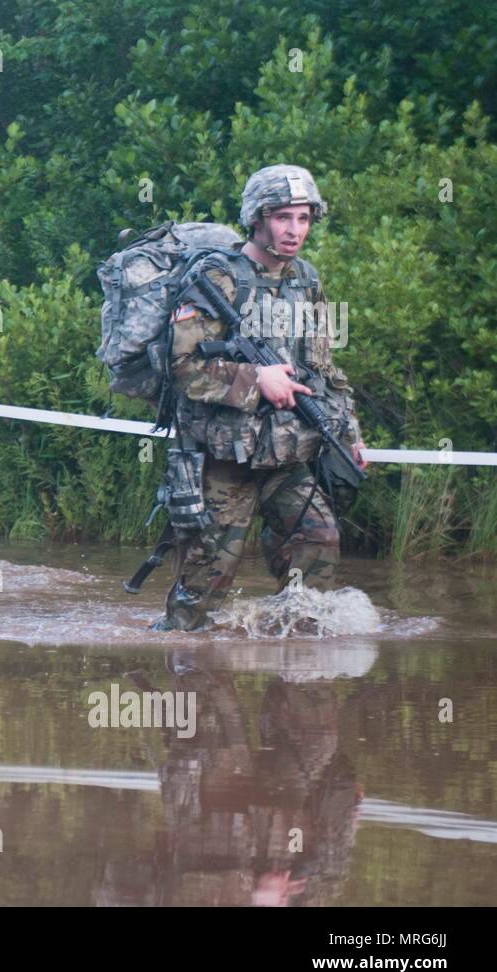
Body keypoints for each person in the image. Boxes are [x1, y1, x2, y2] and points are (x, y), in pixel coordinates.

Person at [157, 165, 368, 630]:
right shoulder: (216, 278)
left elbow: (324, 366)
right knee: (207, 582)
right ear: (257, 217)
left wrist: (348, 432)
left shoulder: (306, 280)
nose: (294, 231)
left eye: (303, 218)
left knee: (319, 542)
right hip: (221, 461)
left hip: (286, 454)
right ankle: (185, 666)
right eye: (282, 217)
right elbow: (181, 368)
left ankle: (294, 673)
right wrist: (257, 380)